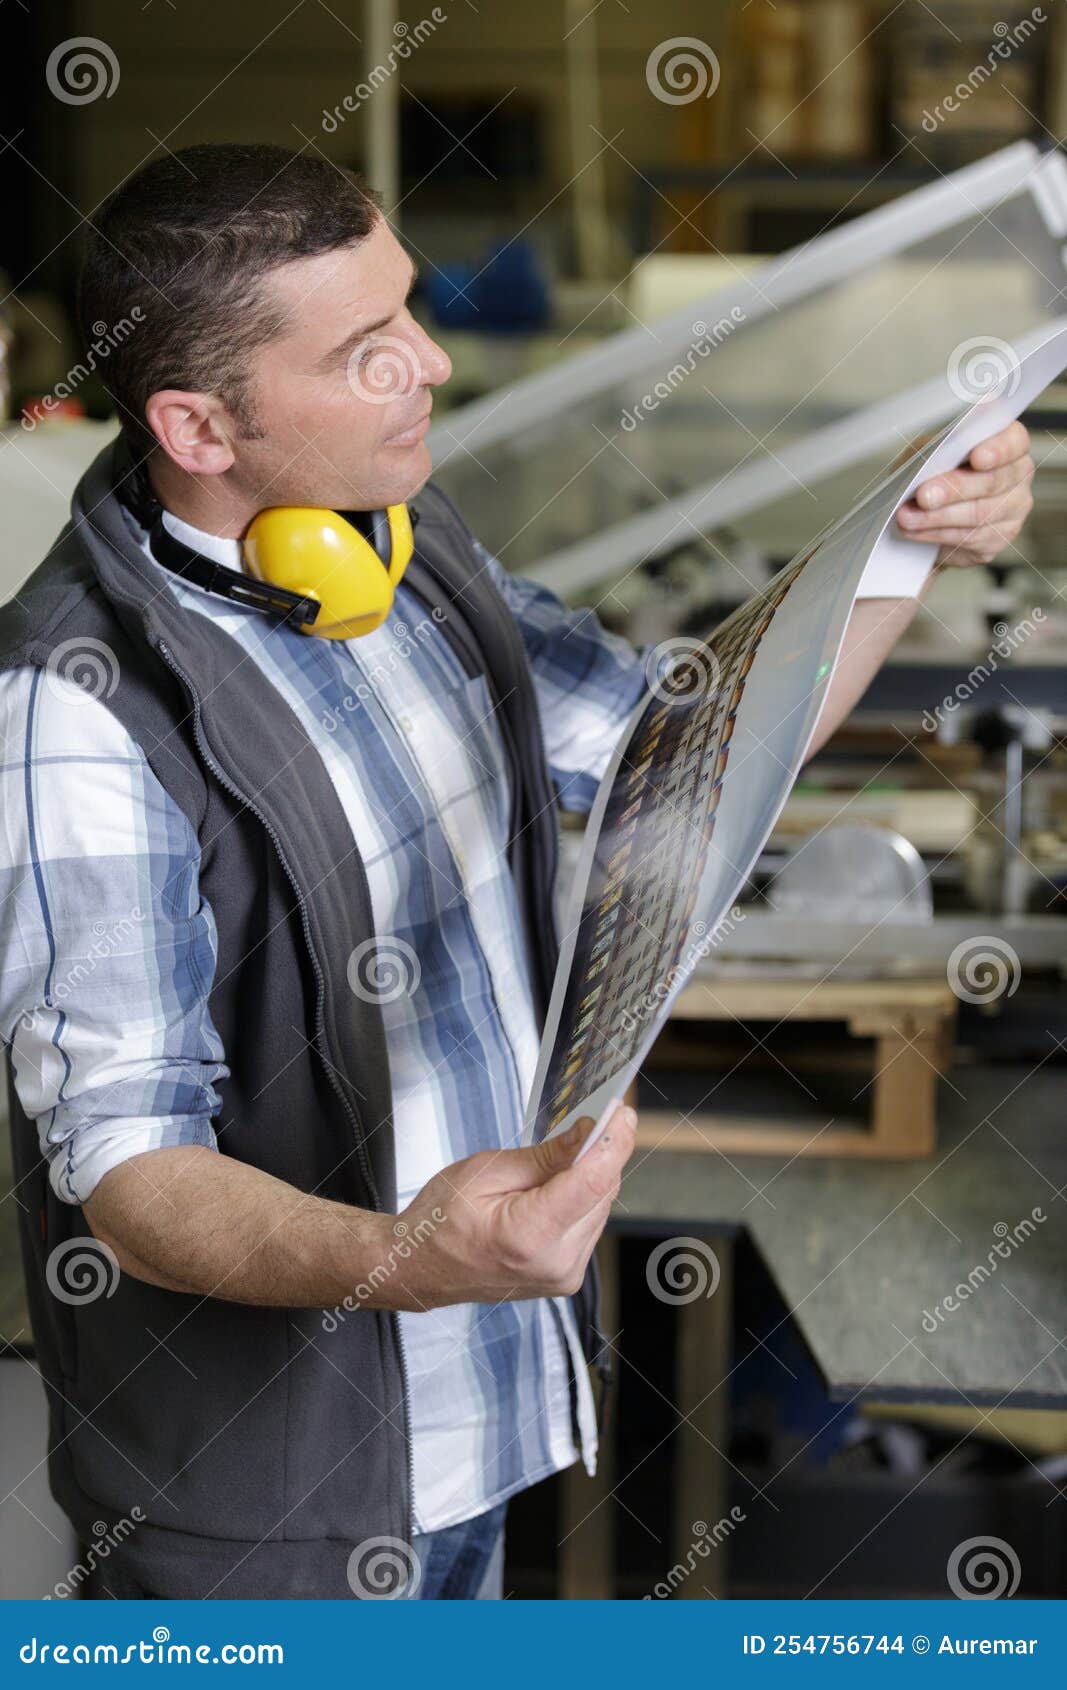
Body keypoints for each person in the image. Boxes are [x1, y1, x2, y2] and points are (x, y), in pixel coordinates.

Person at [0, 144, 1034, 1601]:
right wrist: (407, 1256)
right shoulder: (76, 706)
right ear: (196, 424)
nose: (427, 361)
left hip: (481, 1411)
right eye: (369, 353)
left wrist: (906, 543)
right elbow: (125, 1168)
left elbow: (675, 760)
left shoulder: (399, 551)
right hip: (272, 1508)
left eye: (407, 310)